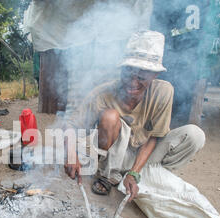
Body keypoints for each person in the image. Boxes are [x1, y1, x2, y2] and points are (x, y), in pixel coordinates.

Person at [64, 30, 205, 202]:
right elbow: (71, 126)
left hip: (144, 157)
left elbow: (155, 137)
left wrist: (134, 173)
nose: (132, 83)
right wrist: (71, 155)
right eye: (128, 74)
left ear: (155, 75)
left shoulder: (163, 91)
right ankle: (109, 175)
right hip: (113, 158)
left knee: (194, 135)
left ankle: (146, 175)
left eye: (141, 77)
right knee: (110, 116)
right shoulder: (103, 93)